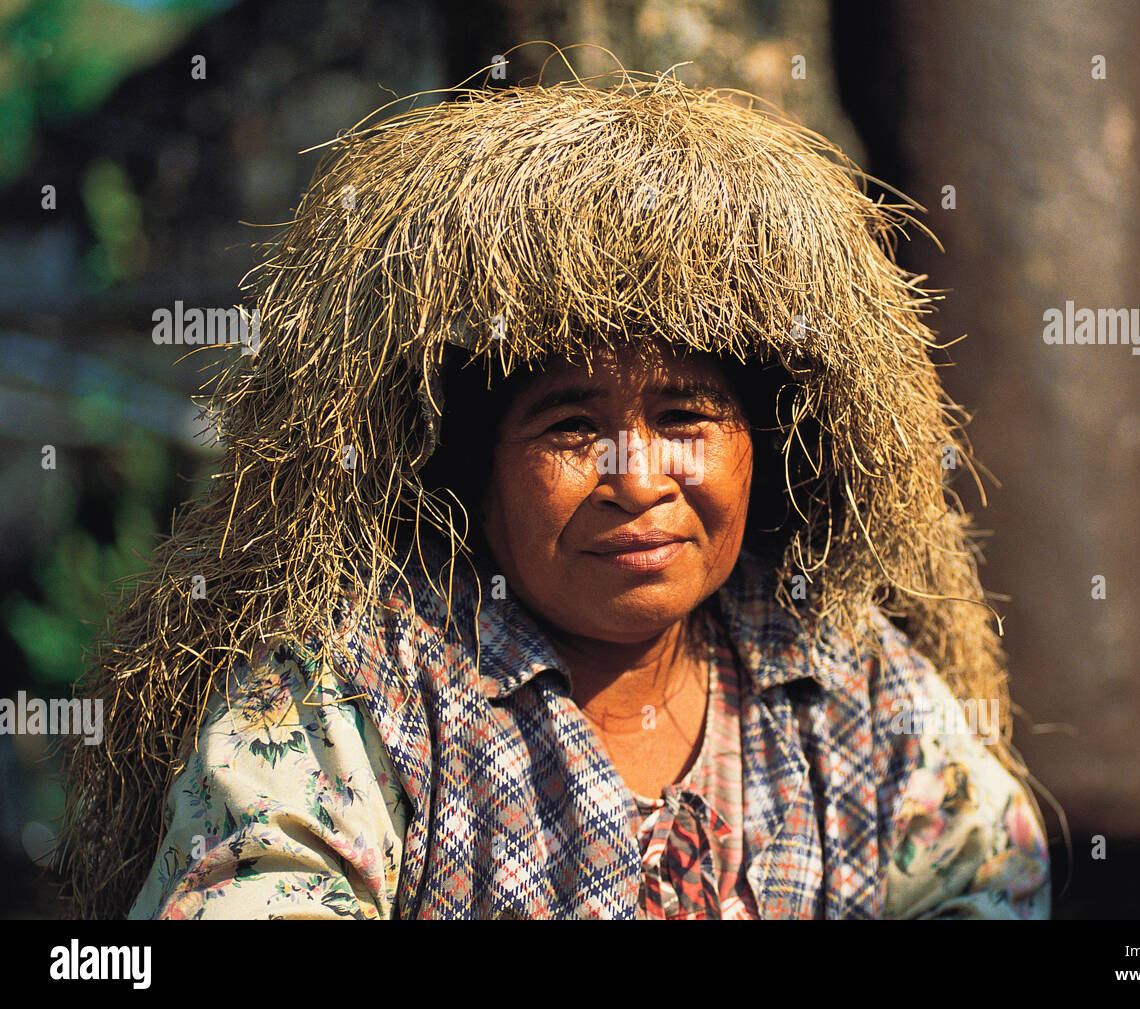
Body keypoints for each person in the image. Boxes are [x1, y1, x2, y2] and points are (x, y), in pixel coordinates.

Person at [60, 71, 1050, 920]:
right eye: (571, 426)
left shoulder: (841, 674)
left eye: (686, 418)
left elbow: (986, 883)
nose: (638, 478)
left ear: (760, 448)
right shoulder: (361, 692)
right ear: (475, 473)